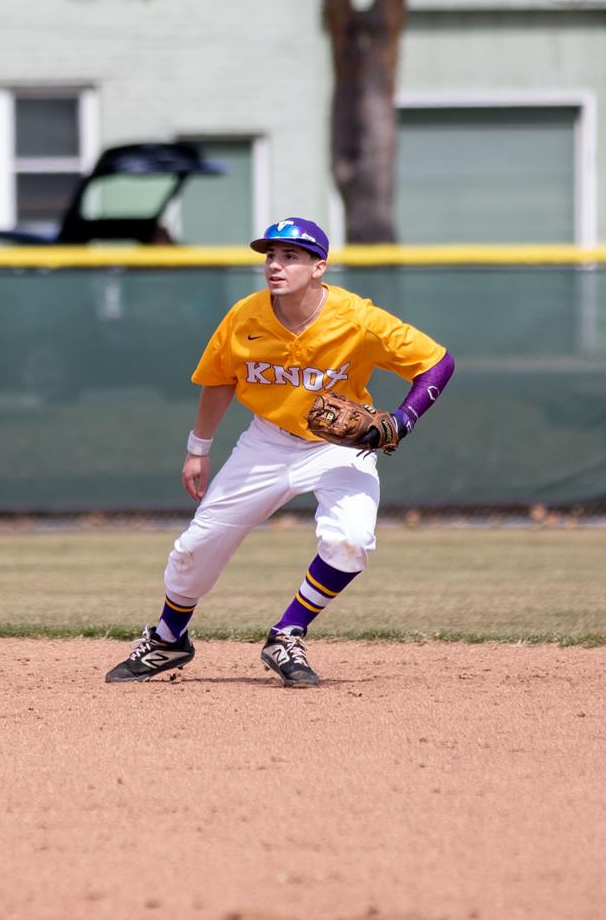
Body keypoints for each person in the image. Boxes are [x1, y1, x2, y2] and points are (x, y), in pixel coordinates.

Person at [104, 217, 456, 687]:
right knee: (196, 548)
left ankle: (288, 632)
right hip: (265, 442)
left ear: (319, 268)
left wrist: (402, 420)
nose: (276, 264)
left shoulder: (358, 319)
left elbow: (437, 362)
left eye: (291, 256)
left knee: (351, 541)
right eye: (271, 255)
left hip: (338, 448)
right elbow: (218, 382)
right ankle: (169, 638)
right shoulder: (245, 317)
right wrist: (198, 448)